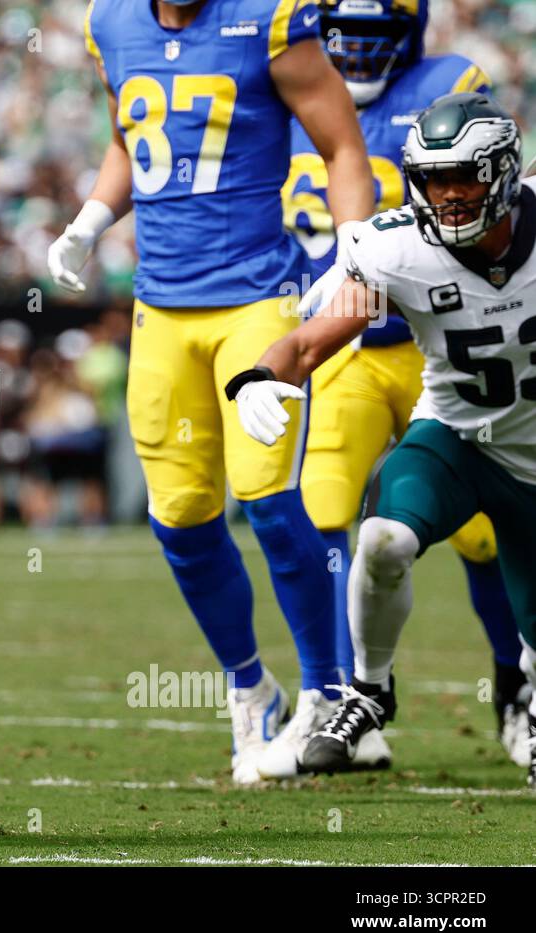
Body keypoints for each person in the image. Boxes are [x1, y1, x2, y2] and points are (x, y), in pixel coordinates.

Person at [48, 0, 376, 782]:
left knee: (267, 496)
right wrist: (92, 220)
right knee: (182, 522)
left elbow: (341, 144)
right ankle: (250, 686)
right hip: (160, 308)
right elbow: (132, 138)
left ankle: (329, 694)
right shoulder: (111, 24)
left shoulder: (268, 18)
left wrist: (355, 245)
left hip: (256, 298)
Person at [229, 92, 536, 785]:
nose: (450, 196)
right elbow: (309, 343)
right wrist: (256, 378)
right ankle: (369, 691)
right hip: (455, 437)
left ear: (505, 175)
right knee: (382, 540)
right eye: (434, 180)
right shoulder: (402, 249)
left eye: (466, 178)